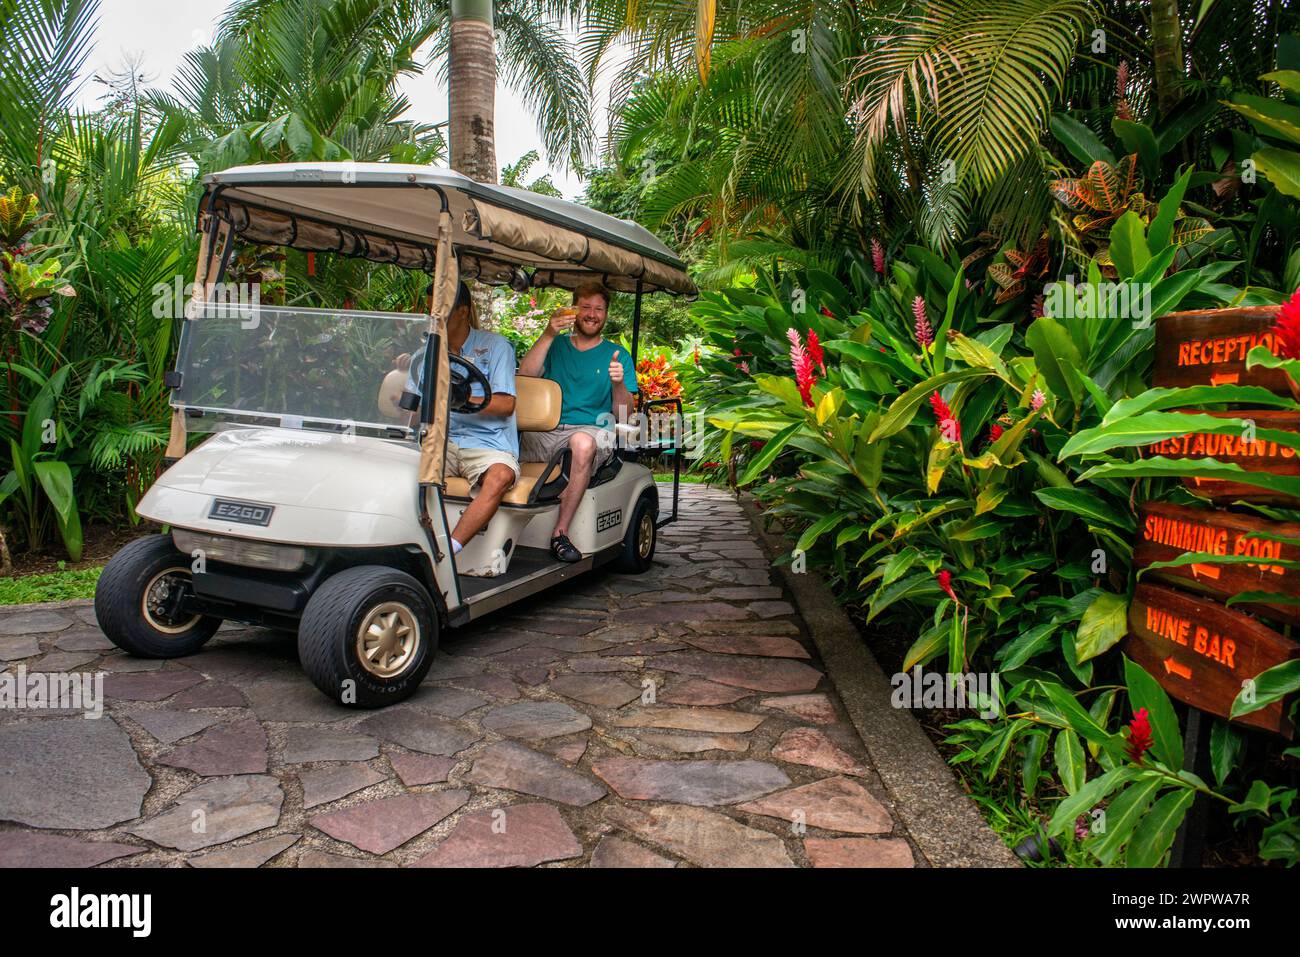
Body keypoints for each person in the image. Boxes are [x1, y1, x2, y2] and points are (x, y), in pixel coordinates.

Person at [518, 281, 637, 562]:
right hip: (547, 430)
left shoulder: (617, 355)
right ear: (575, 310)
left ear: (606, 314)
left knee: (581, 444)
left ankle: (560, 532)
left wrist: (618, 383)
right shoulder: (556, 344)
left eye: (599, 309)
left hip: (591, 433)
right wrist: (549, 332)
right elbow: (525, 376)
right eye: (586, 307)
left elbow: (623, 416)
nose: (592, 314)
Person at [402, 281, 518, 564]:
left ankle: (448, 553)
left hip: (487, 443)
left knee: (500, 476)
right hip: (442, 440)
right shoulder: (424, 355)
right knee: (394, 465)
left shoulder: (494, 346)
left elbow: (506, 404)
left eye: (440, 311)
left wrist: (461, 399)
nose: (434, 318)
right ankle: (400, 544)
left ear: (463, 311)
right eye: (431, 312)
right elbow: (410, 413)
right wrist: (405, 401)